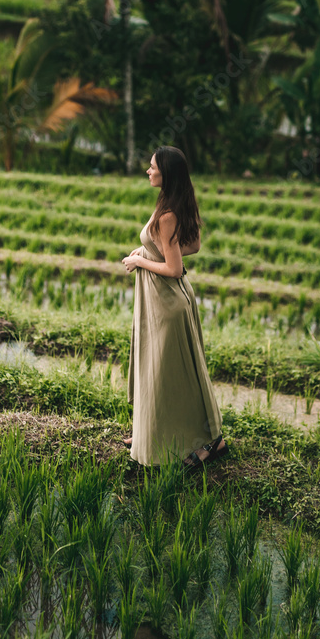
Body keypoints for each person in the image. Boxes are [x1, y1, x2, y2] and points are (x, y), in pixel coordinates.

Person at [121, 146, 228, 468]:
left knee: (169, 377)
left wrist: (141, 259)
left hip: (167, 304)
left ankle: (212, 442)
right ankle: (149, 433)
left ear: (166, 173)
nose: (148, 171)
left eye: (152, 167)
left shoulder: (168, 215)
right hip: (163, 302)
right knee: (161, 374)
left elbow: (175, 268)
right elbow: (191, 245)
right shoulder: (175, 206)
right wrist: (148, 250)